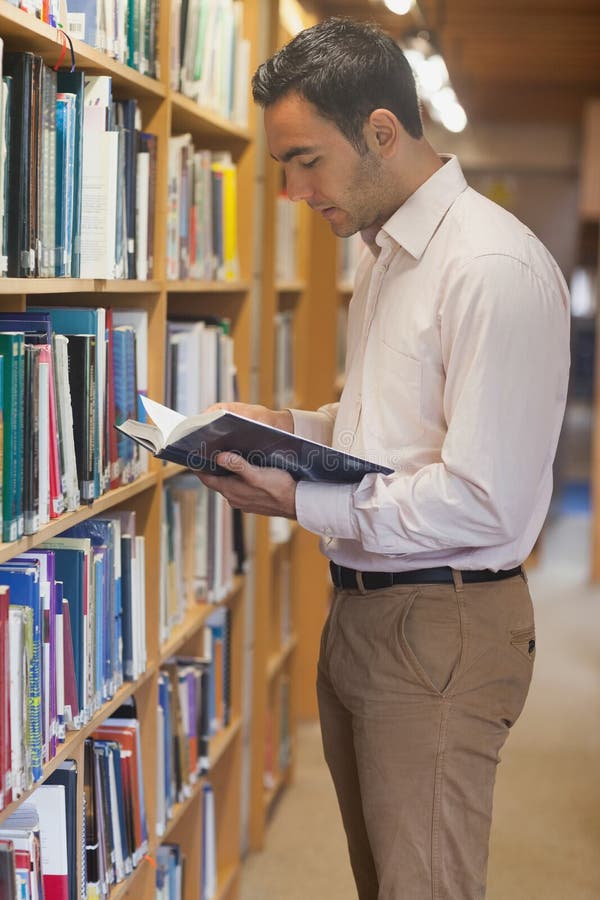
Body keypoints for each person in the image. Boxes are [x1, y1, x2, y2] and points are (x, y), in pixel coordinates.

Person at [197, 17, 571, 900]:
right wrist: (281, 422)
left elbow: (483, 499)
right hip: (365, 611)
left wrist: (301, 502)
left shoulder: (489, 268)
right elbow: (391, 441)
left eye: (305, 160)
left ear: (381, 131)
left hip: (441, 622)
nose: (291, 191)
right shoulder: (388, 256)